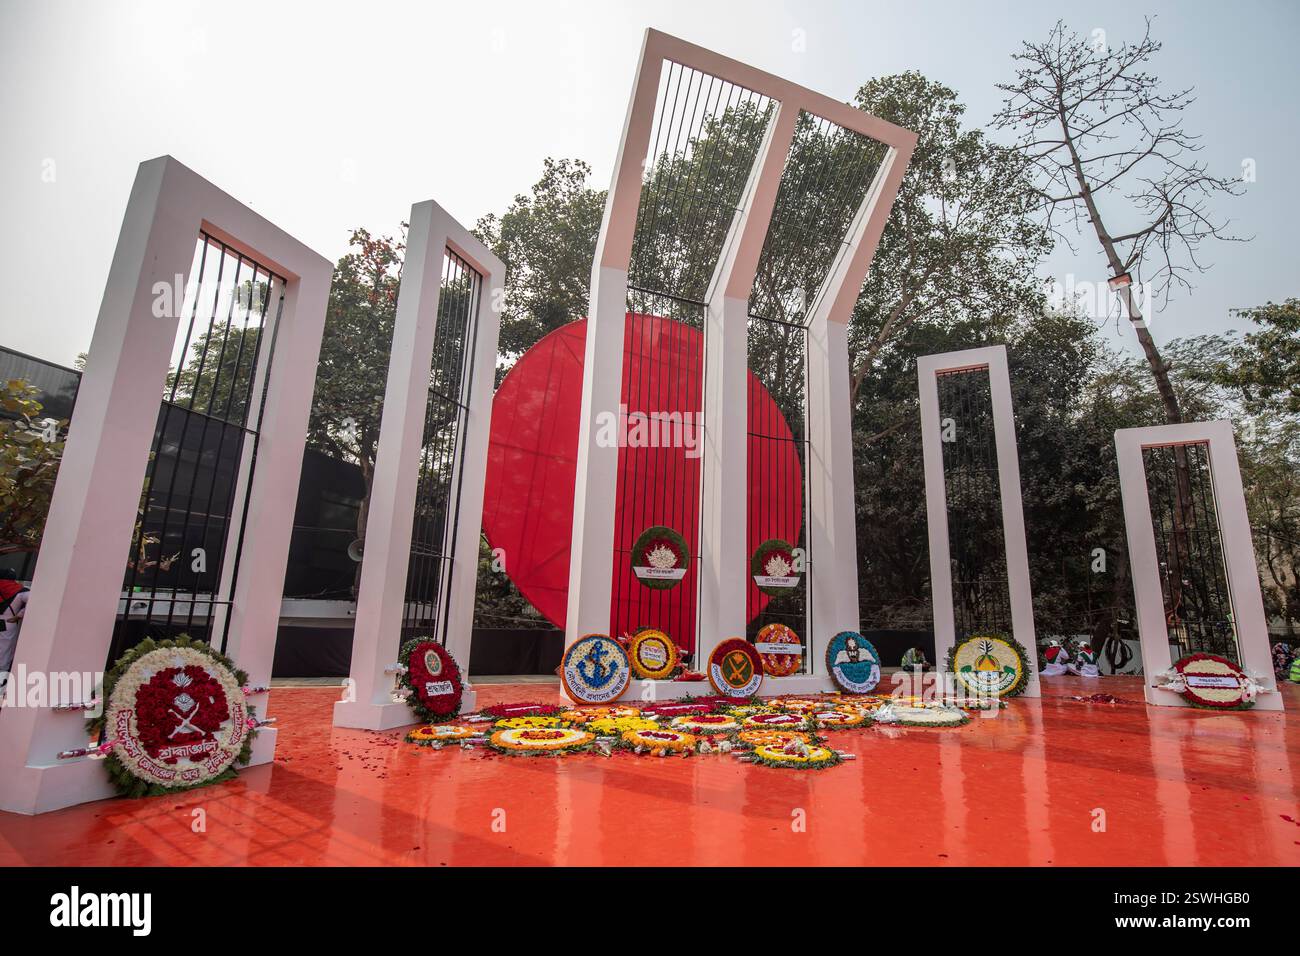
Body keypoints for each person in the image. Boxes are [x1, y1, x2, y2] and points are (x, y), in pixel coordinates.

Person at [0, 569, 29, 692]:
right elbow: (32, 600)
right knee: (4, 653)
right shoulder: (21, 591)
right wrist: (19, 615)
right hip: (8, 623)